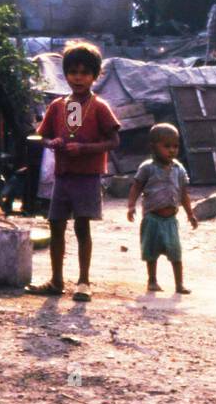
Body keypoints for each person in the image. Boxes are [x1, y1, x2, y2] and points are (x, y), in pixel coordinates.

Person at [28, 41, 120, 302]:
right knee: (56, 226)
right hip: (63, 176)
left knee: (82, 227)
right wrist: (53, 142)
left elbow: (114, 141)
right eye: (73, 72)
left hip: (87, 177)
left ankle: (83, 282)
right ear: (65, 74)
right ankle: (56, 281)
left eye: (84, 73)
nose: (78, 78)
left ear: (95, 75)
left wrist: (85, 148)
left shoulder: (99, 107)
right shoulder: (58, 106)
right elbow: (42, 137)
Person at [127, 123, 197, 294]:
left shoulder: (179, 169)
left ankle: (179, 284)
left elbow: (183, 193)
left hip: (170, 220)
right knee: (151, 251)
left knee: (175, 253)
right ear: (153, 147)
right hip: (152, 218)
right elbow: (136, 187)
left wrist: (190, 214)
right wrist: (131, 206)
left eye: (175, 146)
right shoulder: (147, 168)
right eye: (166, 146)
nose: (172, 150)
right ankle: (152, 280)